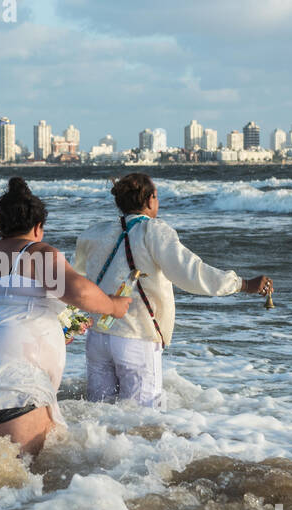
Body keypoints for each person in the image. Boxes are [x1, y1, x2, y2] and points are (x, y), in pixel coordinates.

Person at [0, 178, 129, 458]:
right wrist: (114, 306)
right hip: (12, 387)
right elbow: (79, 291)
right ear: (38, 227)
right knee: (34, 486)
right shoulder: (37, 253)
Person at [73, 173, 273, 409]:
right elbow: (190, 273)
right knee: (141, 422)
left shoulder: (94, 233)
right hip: (136, 336)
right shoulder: (154, 231)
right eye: (156, 197)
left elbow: (76, 277)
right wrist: (242, 284)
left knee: (98, 415)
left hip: (97, 337)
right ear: (150, 200)